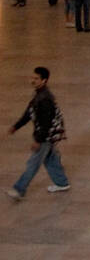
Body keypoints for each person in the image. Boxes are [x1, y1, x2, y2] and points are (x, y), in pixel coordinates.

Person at [6, 67, 69, 200]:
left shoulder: (45, 99)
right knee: (51, 159)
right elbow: (29, 113)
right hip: (48, 135)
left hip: (45, 136)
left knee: (33, 163)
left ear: (44, 80)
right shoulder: (39, 95)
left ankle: (19, 189)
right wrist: (16, 126)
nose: (32, 80)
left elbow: (46, 123)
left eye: (36, 78)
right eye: (32, 77)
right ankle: (62, 183)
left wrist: (38, 140)